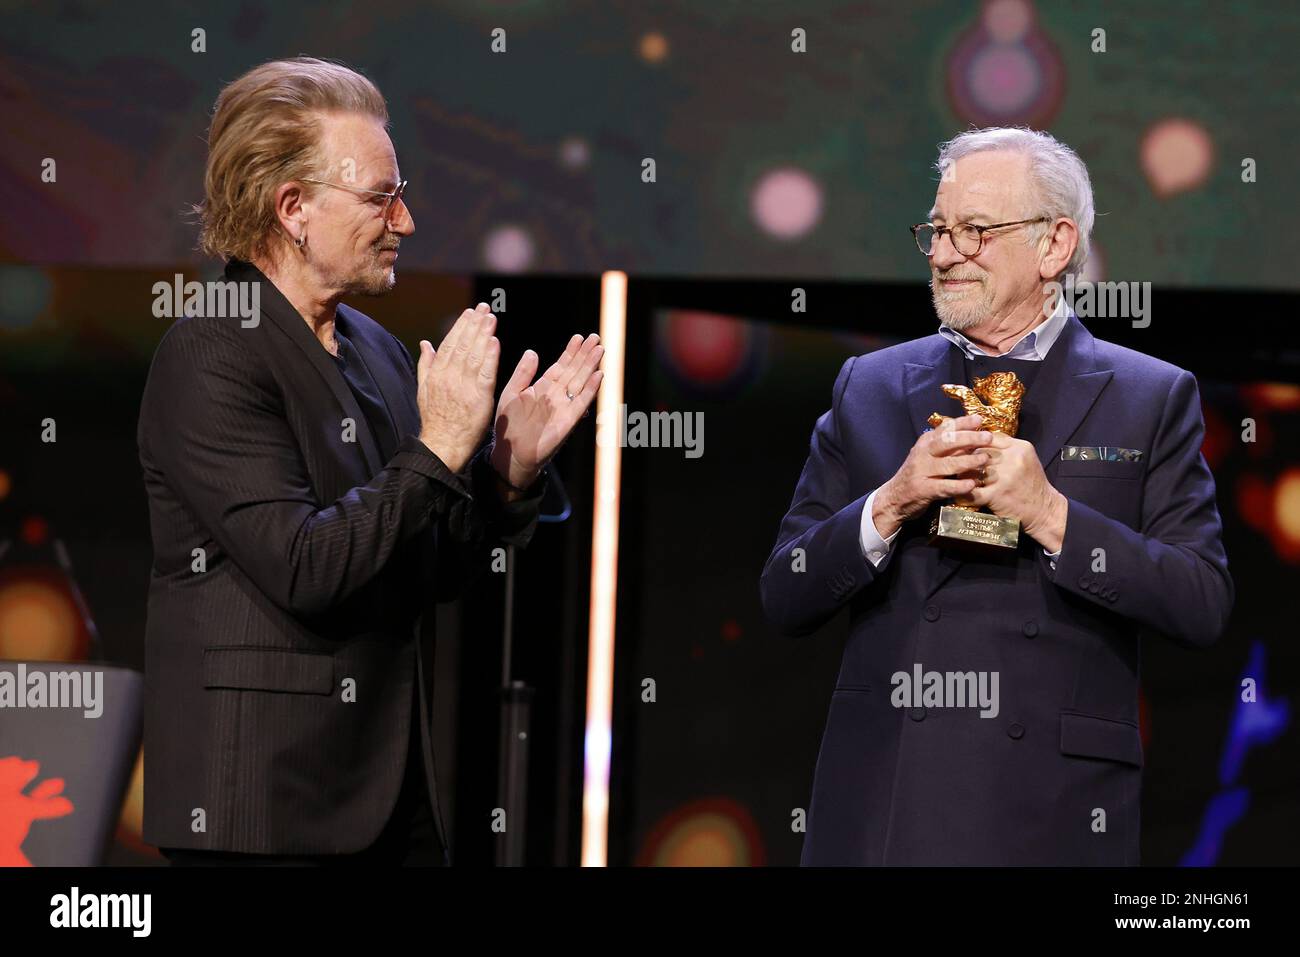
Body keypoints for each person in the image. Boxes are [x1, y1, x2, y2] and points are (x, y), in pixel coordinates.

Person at [138, 57, 603, 865]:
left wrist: (504, 473)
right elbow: (306, 567)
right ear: (293, 209)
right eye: (381, 197)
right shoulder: (210, 348)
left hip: (389, 797)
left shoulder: (377, 351)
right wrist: (435, 448)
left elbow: (426, 565)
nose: (407, 220)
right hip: (263, 809)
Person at [760, 126, 1232, 865]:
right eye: (939, 230)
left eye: (975, 231)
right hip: (888, 806)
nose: (946, 253)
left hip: (1053, 813)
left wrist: (1051, 515)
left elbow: (1201, 600)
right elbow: (783, 594)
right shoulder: (872, 386)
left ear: (1054, 246)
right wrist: (891, 501)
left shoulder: (1151, 396)